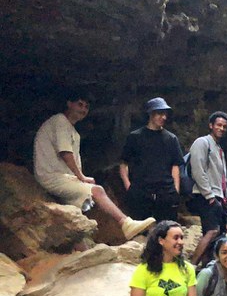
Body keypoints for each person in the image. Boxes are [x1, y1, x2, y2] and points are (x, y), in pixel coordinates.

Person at [34, 89, 155, 240]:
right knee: (97, 190)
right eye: (80, 104)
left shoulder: (71, 129)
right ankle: (126, 224)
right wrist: (81, 177)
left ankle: (81, 248)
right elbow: (65, 153)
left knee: (76, 214)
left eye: (86, 107)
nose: (83, 109)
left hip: (62, 177)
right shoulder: (60, 121)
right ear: (69, 104)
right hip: (52, 176)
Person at [120, 97, 184, 223]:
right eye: (159, 113)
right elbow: (123, 163)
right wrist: (128, 186)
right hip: (141, 192)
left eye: (165, 114)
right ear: (150, 114)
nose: (163, 117)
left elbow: (175, 165)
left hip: (166, 192)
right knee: (141, 229)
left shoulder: (171, 139)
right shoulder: (135, 137)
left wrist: (176, 190)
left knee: (167, 229)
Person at [188, 111, 227, 265]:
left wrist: (225, 198)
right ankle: (192, 266)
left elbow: (221, 177)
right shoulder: (202, 142)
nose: (221, 128)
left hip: (218, 196)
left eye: (224, 126)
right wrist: (209, 195)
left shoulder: (219, 149)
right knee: (213, 231)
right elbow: (198, 170)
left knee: (216, 234)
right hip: (205, 195)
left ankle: (206, 266)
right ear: (211, 125)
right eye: (219, 125)